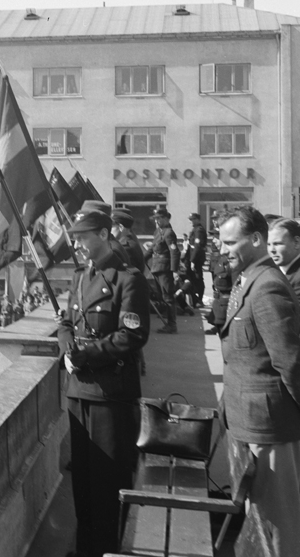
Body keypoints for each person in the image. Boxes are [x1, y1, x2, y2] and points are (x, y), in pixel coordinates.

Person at [217, 206, 300, 557]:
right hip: (249, 421)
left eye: (231, 242)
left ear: (256, 239)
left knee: (279, 521)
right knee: (258, 517)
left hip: (270, 426)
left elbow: (289, 362)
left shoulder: (268, 287)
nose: (223, 249)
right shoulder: (248, 279)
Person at [56, 207, 150, 557]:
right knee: (81, 479)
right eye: (75, 238)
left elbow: (134, 335)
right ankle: (85, 548)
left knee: (109, 481)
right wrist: (68, 347)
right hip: (79, 392)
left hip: (111, 395)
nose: (77, 244)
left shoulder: (128, 279)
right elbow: (66, 322)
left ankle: (108, 549)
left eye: (82, 237)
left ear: (105, 235)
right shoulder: (81, 276)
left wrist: (88, 354)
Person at [143, 207, 180, 333]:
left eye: (159, 218)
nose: (157, 221)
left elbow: (174, 252)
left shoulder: (169, 232)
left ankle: (172, 324)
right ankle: (168, 321)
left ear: (166, 218)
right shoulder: (158, 232)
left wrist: (174, 271)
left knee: (168, 297)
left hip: (165, 268)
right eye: (155, 219)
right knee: (162, 296)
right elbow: (152, 248)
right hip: (157, 267)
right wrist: (141, 259)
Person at [267, 217, 300, 302]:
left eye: (277, 244)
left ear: (296, 242)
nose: (271, 250)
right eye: (268, 244)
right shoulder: (274, 271)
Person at [110, 208, 145, 273]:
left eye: (112, 226)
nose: (109, 230)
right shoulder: (126, 242)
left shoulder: (126, 248)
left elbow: (124, 274)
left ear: (121, 227)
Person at [185, 212, 208, 307]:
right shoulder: (194, 230)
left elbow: (197, 247)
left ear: (198, 220)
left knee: (198, 278)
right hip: (192, 257)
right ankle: (194, 299)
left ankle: (199, 300)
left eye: (193, 219)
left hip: (196, 258)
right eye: (190, 220)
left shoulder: (199, 230)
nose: (191, 221)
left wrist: (193, 261)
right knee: (192, 278)